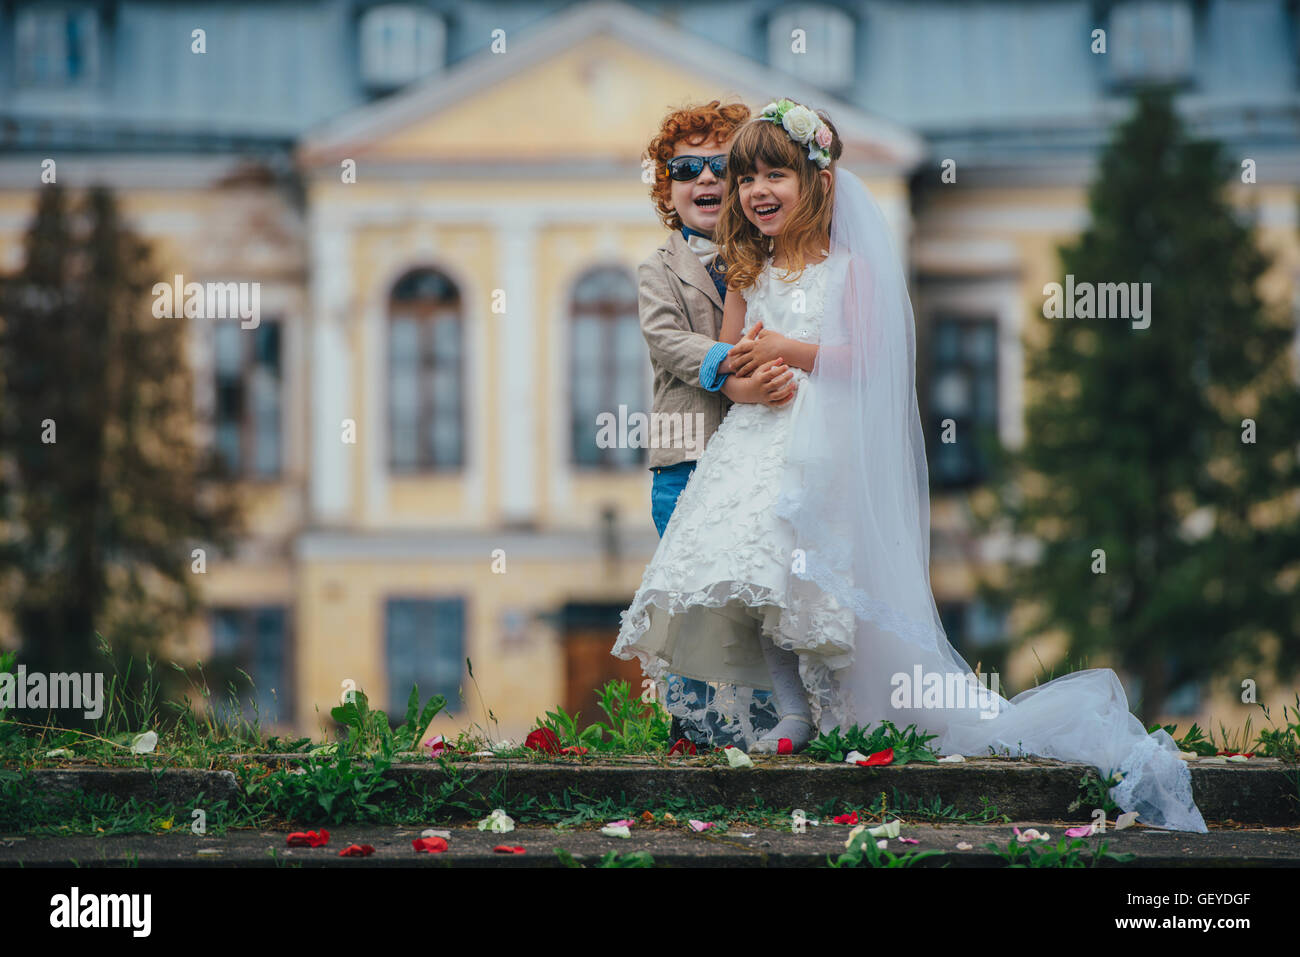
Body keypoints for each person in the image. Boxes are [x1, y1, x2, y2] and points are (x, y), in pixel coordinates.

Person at [614, 98, 1207, 833]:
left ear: (817, 180)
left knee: (811, 578)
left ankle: (836, 706)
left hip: (822, 443)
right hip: (754, 435)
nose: (755, 191)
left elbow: (867, 363)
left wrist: (787, 353)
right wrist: (744, 379)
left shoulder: (851, 270)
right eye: (746, 180)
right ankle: (792, 708)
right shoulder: (744, 268)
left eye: (775, 174)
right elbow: (732, 358)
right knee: (750, 573)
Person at [636, 100, 795, 748]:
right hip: (682, 455)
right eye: (684, 168)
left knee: (749, 595)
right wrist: (729, 368)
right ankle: (693, 728)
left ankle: (761, 721)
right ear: (665, 190)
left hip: (751, 456)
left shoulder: (762, 258)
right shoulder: (658, 266)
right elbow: (665, 339)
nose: (703, 179)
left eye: (717, 165)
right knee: (693, 591)